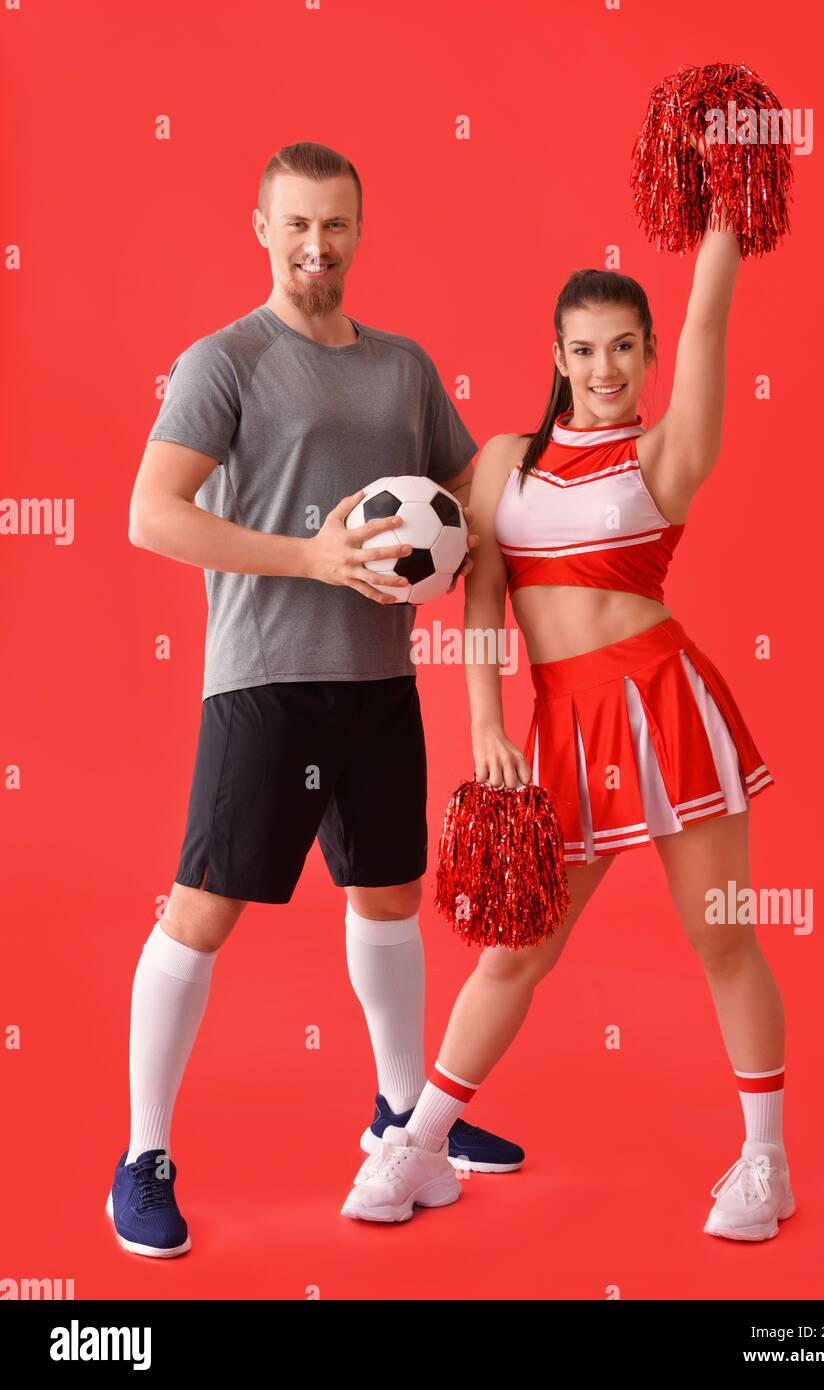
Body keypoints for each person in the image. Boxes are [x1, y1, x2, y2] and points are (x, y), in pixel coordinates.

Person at [106, 140, 524, 1260]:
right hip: (264, 681)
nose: (315, 245)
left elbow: (467, 484)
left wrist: (532, 458)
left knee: (391, 895)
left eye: (334, 224)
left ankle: (400, 1121)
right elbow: (153, 513)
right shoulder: (225, 360)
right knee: (202, 907)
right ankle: (143, 1153)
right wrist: (310, 558)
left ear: (358, 228)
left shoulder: (400, 367)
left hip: (380, 682)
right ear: (259, 225)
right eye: (295, 223)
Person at [343, 206, 795, 1241]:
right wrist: (485, 724)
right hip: (559, 731)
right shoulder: (506, 459)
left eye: (624, 348)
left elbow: (710, 325)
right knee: (515, 951)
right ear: (557, 354)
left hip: (666, 705)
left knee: (721, 937)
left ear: (643, 355)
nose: (605, 369)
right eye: (584, 350)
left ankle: (763, 1163)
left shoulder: (667, 451)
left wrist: (727, 207)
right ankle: (418, 1147)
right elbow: (483, 596)